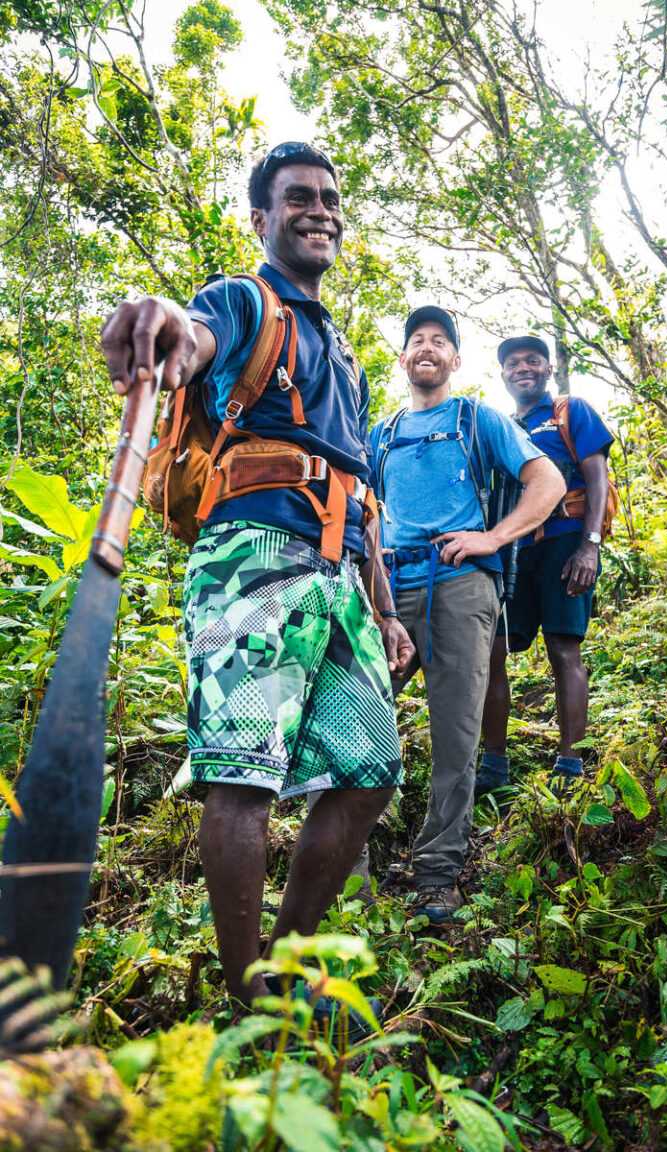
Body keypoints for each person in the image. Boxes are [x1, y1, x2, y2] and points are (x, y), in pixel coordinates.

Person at [100, 142, 415, 1008]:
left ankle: (283, 961)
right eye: (299, 198)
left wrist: (384, 608)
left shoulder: (343, 354)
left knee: (370, 771)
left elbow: (364, 494)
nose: (320, 210)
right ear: (263, 219)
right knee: (243, 772)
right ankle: (247, 1000)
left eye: (329, 198)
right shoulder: (244, 300)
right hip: (251, 556)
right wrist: (162, 320)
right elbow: (193, 338)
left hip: (341, 573)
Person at [368, 308, 565, 924]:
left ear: (455, 361)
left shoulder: (477, 420)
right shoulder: (380, 433)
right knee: (357, 719)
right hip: (388, 590)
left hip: (459, 587)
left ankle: (437, 872)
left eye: (440, 342)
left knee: (456, 735)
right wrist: (372, 589)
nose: (427, 348)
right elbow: (364, 513)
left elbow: (549, 482)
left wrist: (491, 537)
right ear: (403, 360)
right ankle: (351, 864)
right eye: (416, 341)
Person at [476, 335, 614, 797]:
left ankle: (570, 764)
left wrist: (589, 546)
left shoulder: (569, 413)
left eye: (532, 360)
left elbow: (597, 476)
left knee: (563, 649)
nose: (523, 368)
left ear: (548, 369)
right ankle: (494, 764)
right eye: (512, 363)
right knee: (493, 650)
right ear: (503, 375)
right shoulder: (501, 425)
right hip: (513, 549)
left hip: (563, 541)